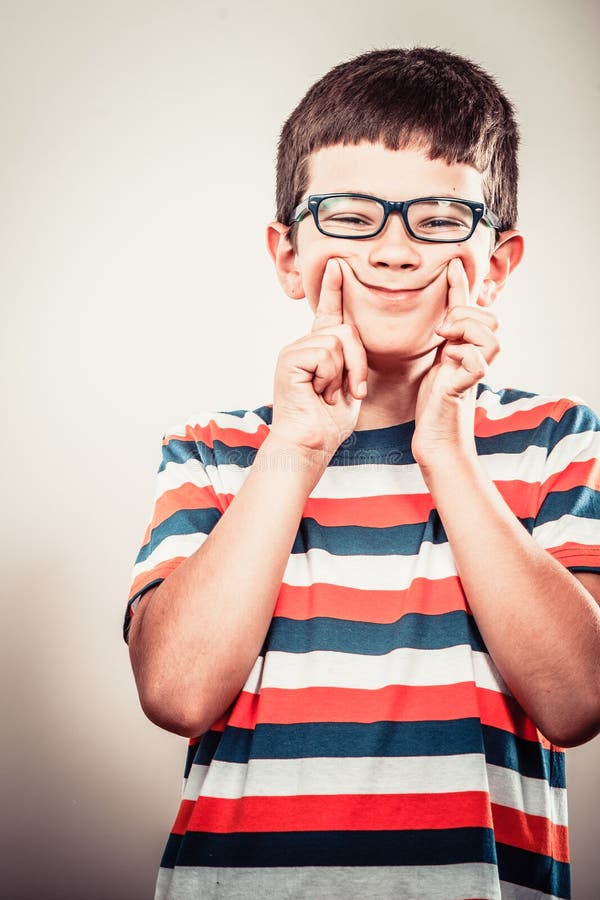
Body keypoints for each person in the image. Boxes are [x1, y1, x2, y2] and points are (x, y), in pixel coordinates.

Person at [124, 47, 600, 899]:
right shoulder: (215, 449)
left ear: (496, 263)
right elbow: (177, 692)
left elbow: (576, 700)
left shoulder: (556, 440)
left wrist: (445, 446)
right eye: (349, 215)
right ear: (286, 254)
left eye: (442, 217)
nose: (392, 250)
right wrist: (298, 447)